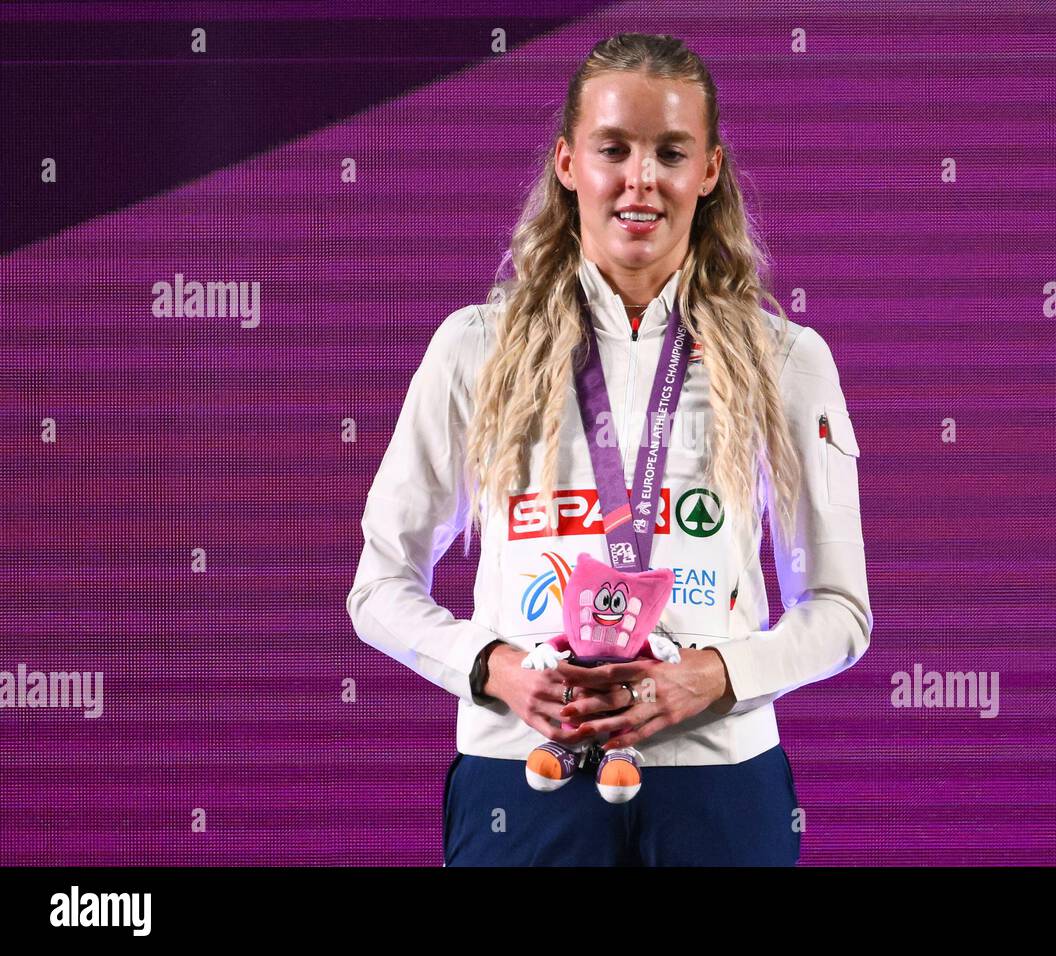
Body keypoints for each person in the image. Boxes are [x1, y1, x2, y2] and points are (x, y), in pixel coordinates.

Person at [347, 33, 872, 866]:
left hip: (718, 779)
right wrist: (492, 667)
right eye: (612, 149)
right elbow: (377, 588)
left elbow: (842, 613)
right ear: (567, 163)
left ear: (709, 171)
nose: (641, 180)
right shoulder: (474, 348)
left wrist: (717, 676)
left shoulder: (788, 360)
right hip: (518, 779)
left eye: (670, 152)